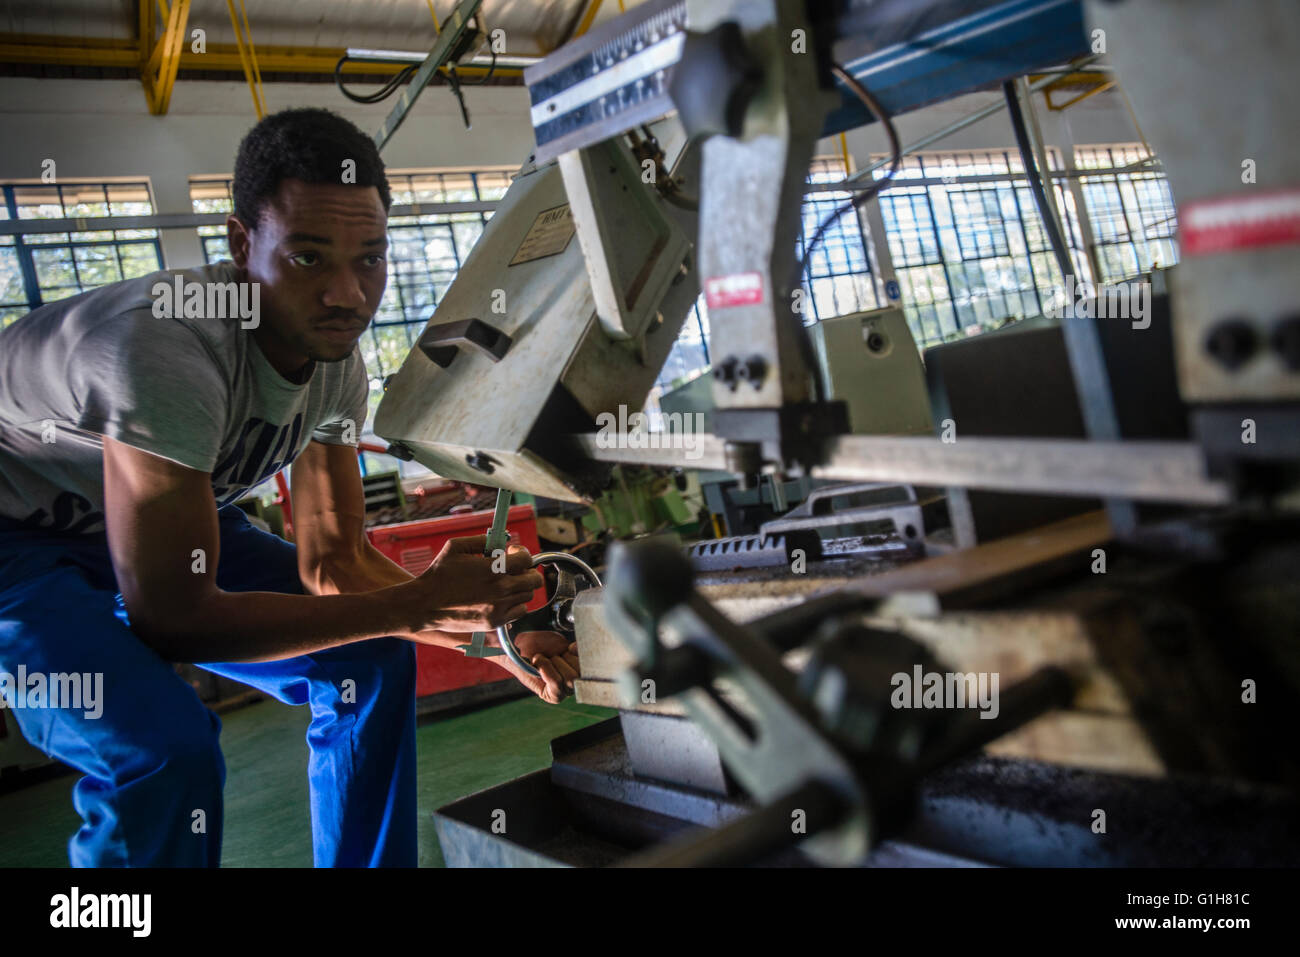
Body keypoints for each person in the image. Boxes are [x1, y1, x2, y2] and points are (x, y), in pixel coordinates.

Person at [0, 107, 579, 867]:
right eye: (308, 258)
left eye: (369, 259)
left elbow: (332, 564)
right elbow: (175, 617)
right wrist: (415, 602)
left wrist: (494, 642)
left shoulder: (336, 366)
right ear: (243, 245)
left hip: (160, 522)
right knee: (160, 747)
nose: (348, 294)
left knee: (369, 661)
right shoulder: (169, 348)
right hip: (17, 543)